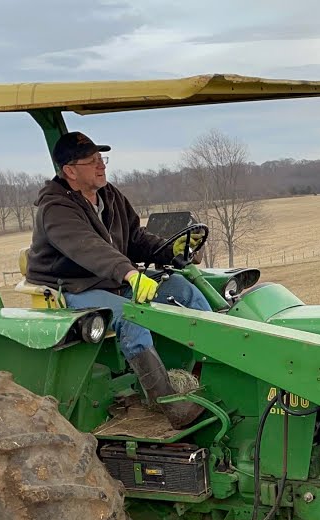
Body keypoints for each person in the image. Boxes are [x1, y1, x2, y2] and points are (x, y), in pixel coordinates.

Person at [25, 131, 209, 429]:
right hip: (72, 287)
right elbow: (89, 248)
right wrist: (130, 274)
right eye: (92, 161)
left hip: (111, 279)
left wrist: (167, 250)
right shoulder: (55, 209)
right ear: (70, 171)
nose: (101, 166)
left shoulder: (108, 195)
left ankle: (212, 371)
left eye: (102, 159)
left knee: (182, 290)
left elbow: (134, 238)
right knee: (131, 316)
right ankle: (166, 402)